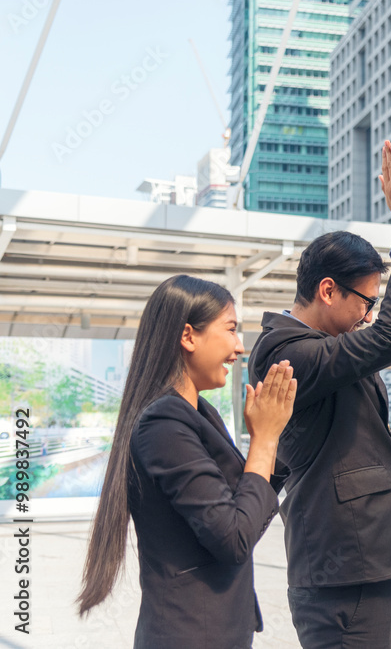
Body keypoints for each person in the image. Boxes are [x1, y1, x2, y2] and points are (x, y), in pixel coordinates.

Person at [248, 141, 391, 649]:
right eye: (366, 301)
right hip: (344, 579)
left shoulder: (325, 349)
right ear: (328, 290)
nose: (370, 314)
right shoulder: (286, 355)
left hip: (381, 563)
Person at [78, 275, 297, 648]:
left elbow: (244, 521)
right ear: (188, 336)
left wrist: (270, 445)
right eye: (230, 329)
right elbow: (234, 539)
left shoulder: (198, 413)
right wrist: (264, 439)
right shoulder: (164, 423)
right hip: (192, 633)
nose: (239, 347)